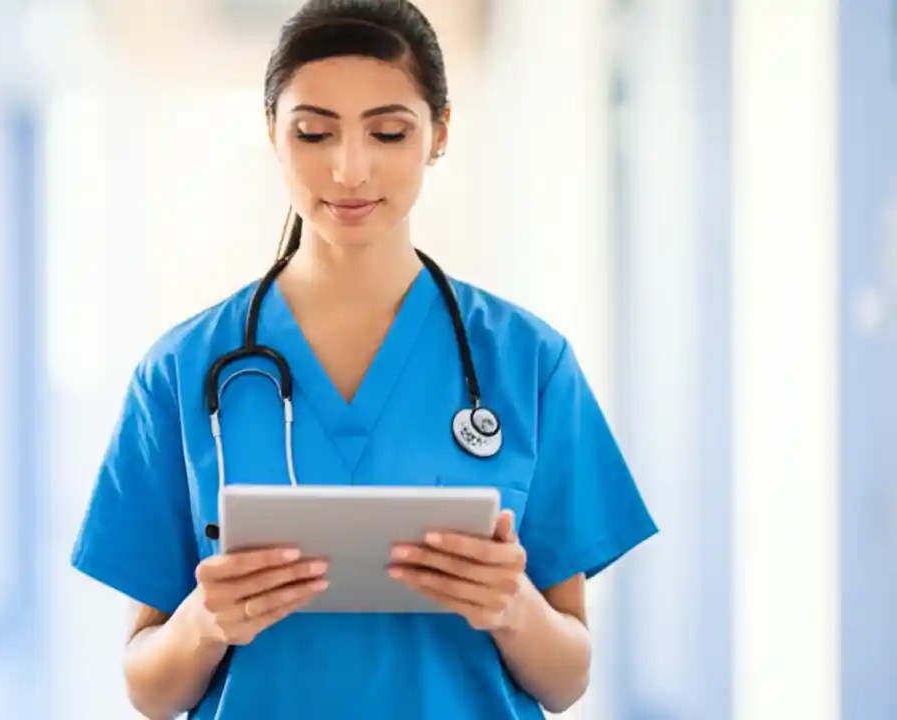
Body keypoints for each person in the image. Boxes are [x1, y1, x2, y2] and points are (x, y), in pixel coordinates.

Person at [69, 1, 657, 717]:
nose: (350, 169)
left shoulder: (529, 364)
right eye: (314, 132)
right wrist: (205, 621)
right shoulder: (180, 373)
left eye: (388, 131)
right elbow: (149, 689)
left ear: (439, 134)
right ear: (272, 134)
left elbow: (566, 680)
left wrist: (512, 607)